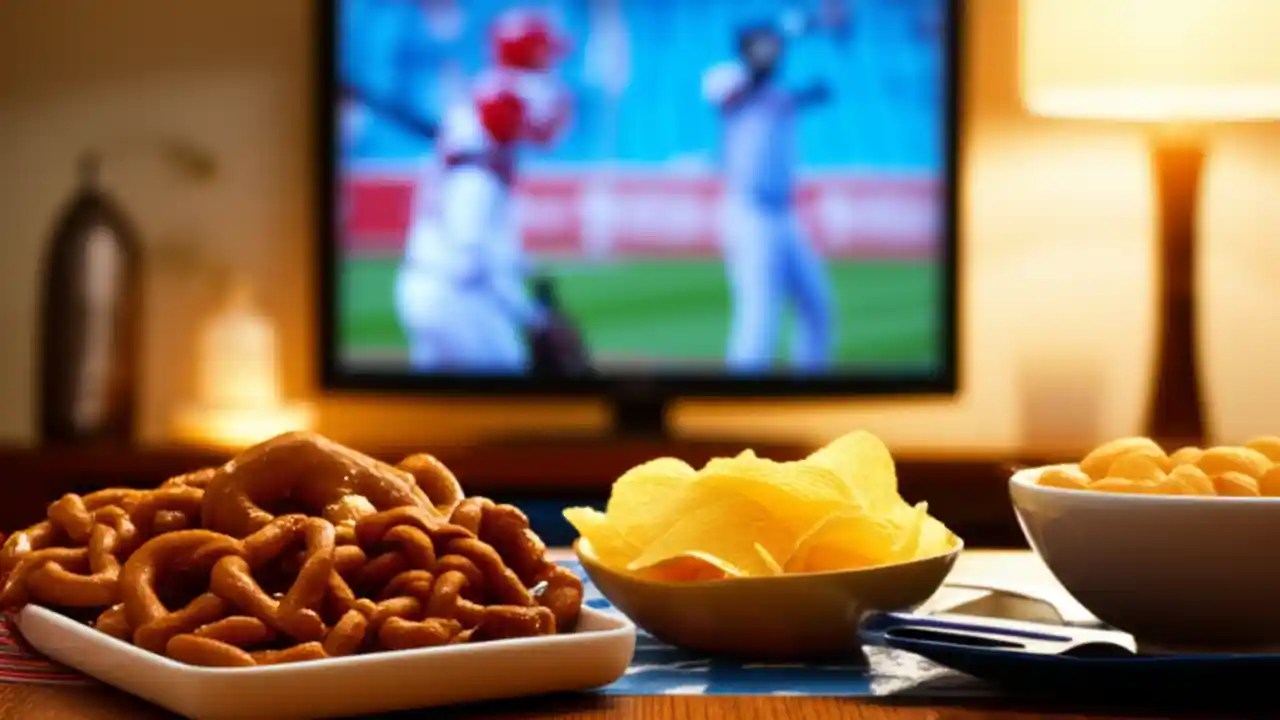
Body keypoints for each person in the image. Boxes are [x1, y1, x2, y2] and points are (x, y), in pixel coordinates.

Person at [395, 8, 573, 373]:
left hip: (432, 286)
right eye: (545, 61)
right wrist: (531, 317)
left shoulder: (474, 129)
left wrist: (521, 267)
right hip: (457, 298)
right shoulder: (478, 163)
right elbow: (470, 256)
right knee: (513, 405)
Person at [703, 23, 835, 373]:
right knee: (759, 318)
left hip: (784, 214)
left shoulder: (779, 94)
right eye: (763, 46)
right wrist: (785, 33)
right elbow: (732, 91)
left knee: (818, 308)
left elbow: (811, 93)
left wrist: (810, 28)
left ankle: (811, 392)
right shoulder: (726, 79)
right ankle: (736, 404)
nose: (772, 52)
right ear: (746, 49)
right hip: (749, 213)